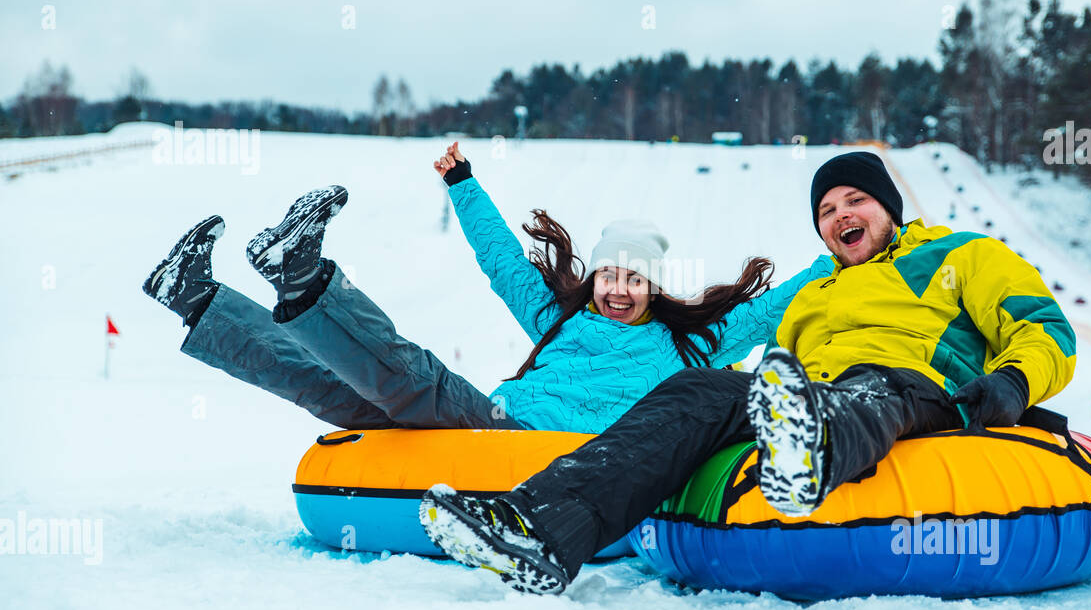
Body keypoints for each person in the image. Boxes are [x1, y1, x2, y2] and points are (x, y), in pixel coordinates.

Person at [420, 150, 1077, 594]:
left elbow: (1047, 329)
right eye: (827, 210)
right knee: (696, 388)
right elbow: (768, 368)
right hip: (810, 390)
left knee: (870, 387)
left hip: (912, 385)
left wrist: (1012, 383)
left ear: (889, 207)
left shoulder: (960, 254)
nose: (842, 215)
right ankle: (537, 529)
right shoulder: (817, 294)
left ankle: (810, 450)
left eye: (856, 200)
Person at [141, 142, 832, 436]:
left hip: (524, 446)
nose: (619, 288)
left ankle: (302, 275)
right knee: (330, 383)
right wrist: (463, 184)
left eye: (635, 278)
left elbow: (774, 307)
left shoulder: (689, 346)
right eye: (610, 273)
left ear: (653, 287)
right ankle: (198, 298)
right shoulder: (560, 321)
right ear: (595, 276)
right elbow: (504, 263)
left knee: (417, 378)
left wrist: (840, 258)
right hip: (489, 424)